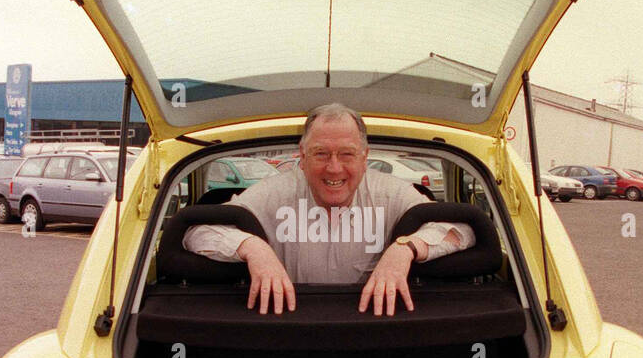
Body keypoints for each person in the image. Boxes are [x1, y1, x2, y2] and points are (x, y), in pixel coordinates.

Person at [183, 103, 476, 316]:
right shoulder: (273, 192)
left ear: (364, 157)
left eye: (346, 154)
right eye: (321, 153)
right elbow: (196, 232)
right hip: (289, 329)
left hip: (376, 329)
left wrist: (405, 248)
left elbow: (462, 230)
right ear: (302, 155)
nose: (334, 168)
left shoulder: (391, 192)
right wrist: (252, 248)